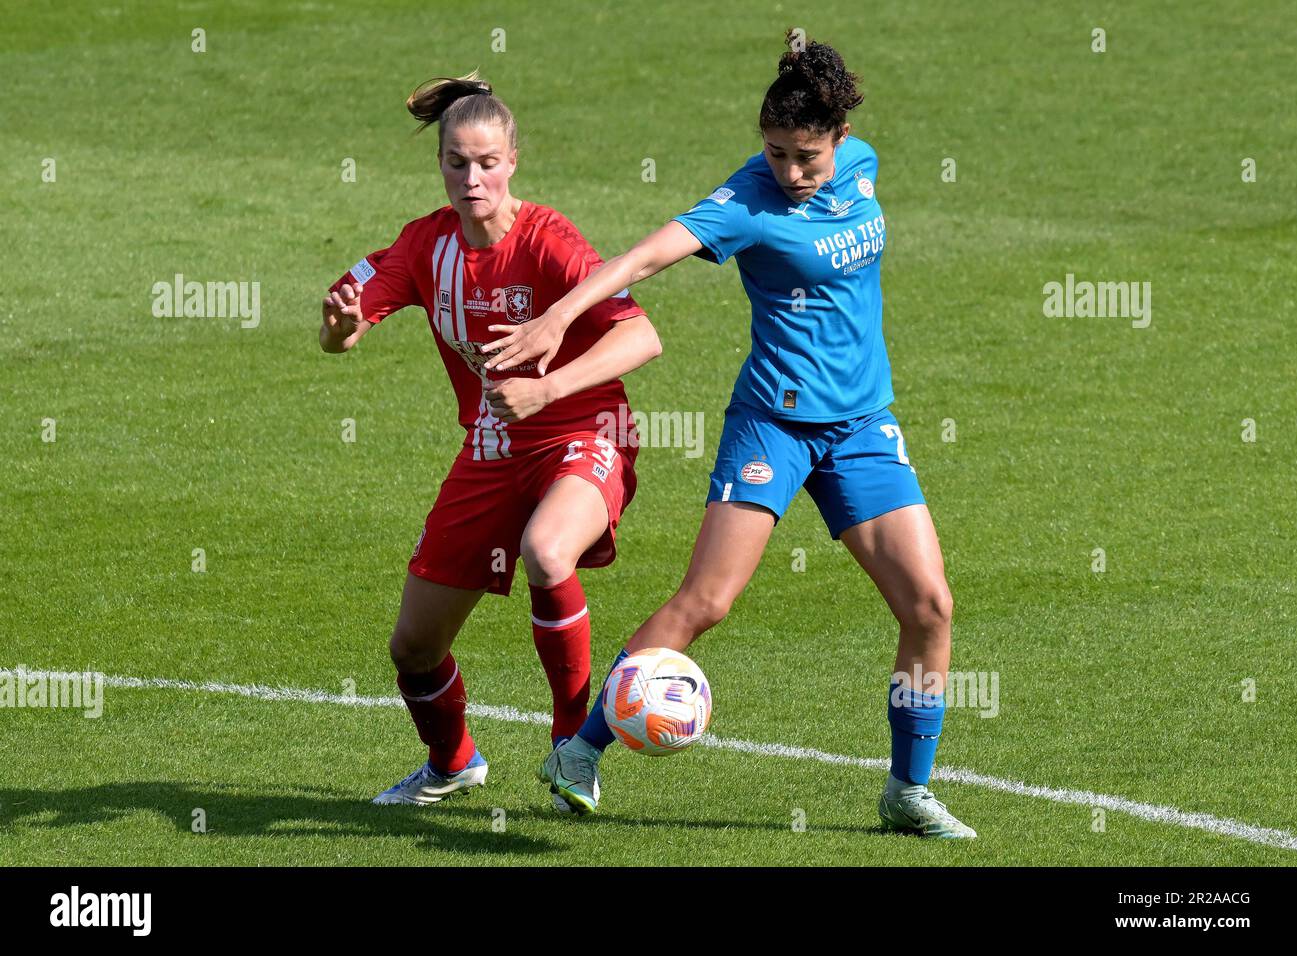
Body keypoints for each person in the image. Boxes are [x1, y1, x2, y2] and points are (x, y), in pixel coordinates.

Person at [484, 36, 975, 838]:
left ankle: (907, 791)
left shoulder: (864, 164)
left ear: (840, 139)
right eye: (775, 152)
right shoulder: (746, 202)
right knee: (706, 602)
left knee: (929, 606)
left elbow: (832, 124)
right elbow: (643, 260)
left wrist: (807, 56)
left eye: (806, 156)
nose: (790, 172)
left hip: (861, 425)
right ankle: (580, 750)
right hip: (773, 426)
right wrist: (556, 318)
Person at [319, 71, 662, 806]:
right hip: (490, 449)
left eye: (486, 163)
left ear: (512, 162)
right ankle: (453, 763)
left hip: (582, 432)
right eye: (455, 163)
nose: (471, 180)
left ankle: (573, 744)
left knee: (546, 550)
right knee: (412, 649)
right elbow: (340, 331)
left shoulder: (550, 241)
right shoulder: (424, 246)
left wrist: (546, 388)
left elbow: (641, 337)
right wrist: (339, 327)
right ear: (438, 162)